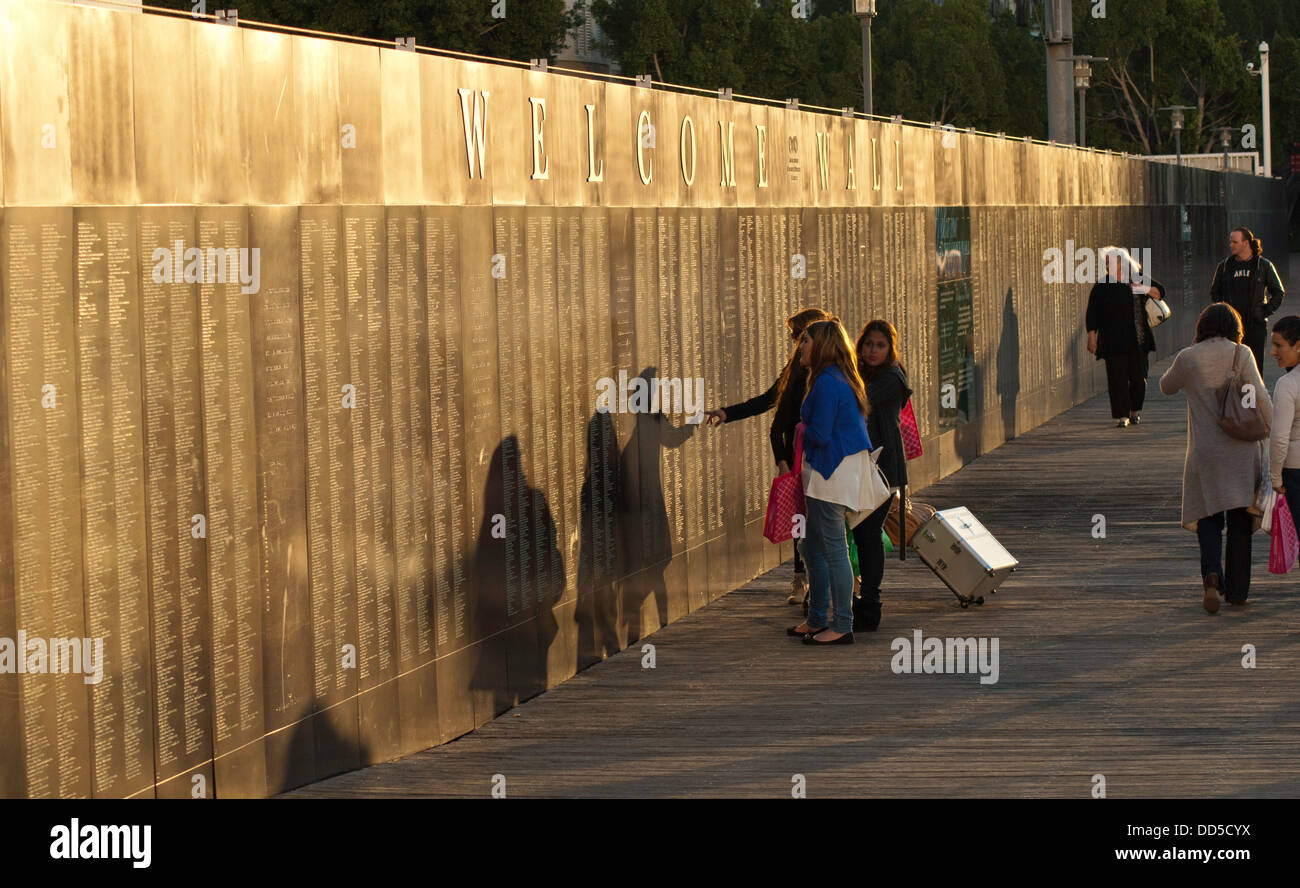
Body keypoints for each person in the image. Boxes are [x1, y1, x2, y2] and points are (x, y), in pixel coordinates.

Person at [705, 307, 831, 605]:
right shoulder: (795, 369)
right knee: (801, 518)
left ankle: (833, 581)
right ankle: (802, 578)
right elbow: (769, 401)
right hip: (794, 456)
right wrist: (728, 413)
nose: (793, 342)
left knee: (827, 521)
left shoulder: (832, 372)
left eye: (797, 336)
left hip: (823, 456)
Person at [1159, 303, 1272, 613]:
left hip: (1205, 453)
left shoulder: (1187, 357)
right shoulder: (1242, 353)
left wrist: (1190, 361)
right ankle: (1237, 591)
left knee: (1209, 518)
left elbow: (1166, 387)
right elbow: (1258, 395)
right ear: (1234, 327)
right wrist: (1276, 432)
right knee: (1239, 521)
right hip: (1241, 450)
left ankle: (1211, 576)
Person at [785, 318, 872, 646]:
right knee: (811, 545)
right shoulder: (836, 378)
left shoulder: (826, 382)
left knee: (832, 548)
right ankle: (819, 617)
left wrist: (799, 430)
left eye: (805, 341)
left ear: (820, 346)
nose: (800, 347)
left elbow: (820, 434)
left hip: (829, 473)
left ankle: (841, 624)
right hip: (832, 471)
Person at [850, 319, 912, 632]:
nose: (872, 351)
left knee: (870, 535)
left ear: (890, 349)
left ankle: (871, 605)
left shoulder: (892, 378)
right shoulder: (861, 374)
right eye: (868, 344)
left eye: (880, 345)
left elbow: (858, 400)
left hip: (883, 469)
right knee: (862, 535)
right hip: (862, 466)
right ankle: (862, 600)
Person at [1086, 247, 1164, 428]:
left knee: (1138, 378)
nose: (1106, 265)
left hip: (1138, 339)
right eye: (1105, 262)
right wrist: (1092, 336)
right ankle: (1122, 416)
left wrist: (1143, 288)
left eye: (1110, 261)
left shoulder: (1136, 278)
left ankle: (1135, 411)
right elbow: (1092, 312)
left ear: (1122, 262)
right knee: (1117, 379)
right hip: (1112, 340)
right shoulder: (1102, 285)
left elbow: (1160, 292)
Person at [1209, 226, 1286, 371]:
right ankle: (1233, 394)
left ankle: (1253, 394)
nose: (1231, 245)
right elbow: (1214, 292)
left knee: (1254, 368)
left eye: (1235, 242)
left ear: (1246, 243)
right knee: (1230, 368)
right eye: (1230, 242)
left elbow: (1278, 292)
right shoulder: (1224, 266)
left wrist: (1263, 312)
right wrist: (1222, 314)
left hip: (1255, 327)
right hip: (1230, 327)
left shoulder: (1263, 265)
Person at [1267, 315, 1300, 544]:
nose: (1273, 352)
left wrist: (1275, 477)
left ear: (1298, 346)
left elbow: (1279, 437)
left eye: (1279, 345)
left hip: (1295, 471)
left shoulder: (1288, 384)